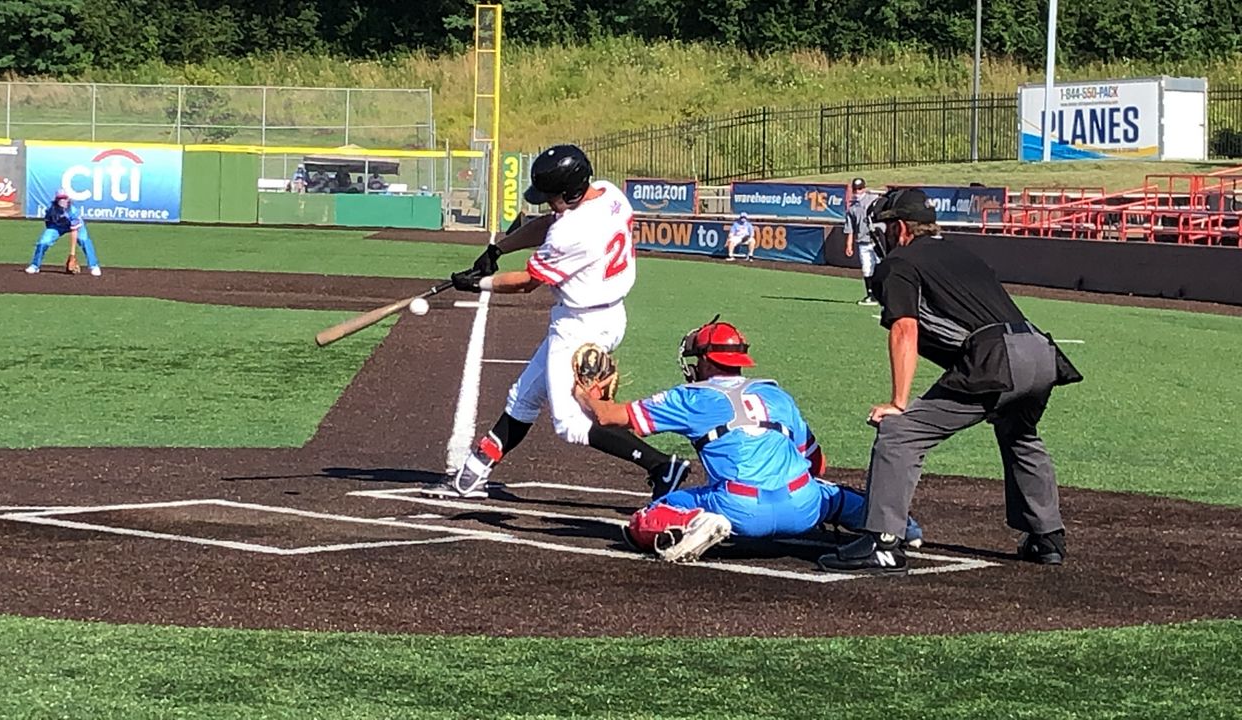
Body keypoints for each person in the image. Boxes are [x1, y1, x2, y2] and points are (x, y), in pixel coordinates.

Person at [817, 188, 1083, 575]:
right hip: (1041, 350)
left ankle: (883, 543)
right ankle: (1047, 537)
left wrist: (898, 400)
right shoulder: (960, 252)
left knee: (901, 431)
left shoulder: (900, 263)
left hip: (999, 358)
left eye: (887, 226)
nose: (884, 234)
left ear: (901, 228)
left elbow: (905, 328)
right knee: (1019, 433)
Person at [422, 144, 692, 500]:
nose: (548, 203)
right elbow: (551, 222)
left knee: (570, 423)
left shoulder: (573, 235)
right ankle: (473, 473)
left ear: (572, 192)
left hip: (581, 326)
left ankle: (661, 465)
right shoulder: (609, 194)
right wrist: (499, 249)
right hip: (604, 313)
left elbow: (526, 284)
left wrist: (478, 284)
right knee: (523, 396)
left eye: (552, 196)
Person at [574, 317, 922, 563]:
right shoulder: (776, 395)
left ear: (707, 362)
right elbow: (817, 464)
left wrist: (587, 395)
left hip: (738, 508)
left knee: (646, 519)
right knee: (835, 495)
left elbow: (609, 417)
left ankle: (694, 522)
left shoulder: (692, 397)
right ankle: (901, 526)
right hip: (803, 505)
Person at [25, 189, 101, 276]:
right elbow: (48, 222)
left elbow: (74, 231)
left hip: (75, 228)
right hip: (57, 226)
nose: (62, 201)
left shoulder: (73, 211)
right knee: (43, 242)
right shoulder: (51, 209)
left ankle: (94, 266)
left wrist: (72, 255)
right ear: (56, 200)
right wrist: (50, 234)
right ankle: (35, 265)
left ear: (68, 199)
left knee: (84, 240)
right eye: (60, 198)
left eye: (64, 198)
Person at [844, 178, 879, 305]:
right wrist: (849, 245)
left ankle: (884, 295)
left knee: (881, 267)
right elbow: (850, 228)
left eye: (859, 189)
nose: (857, 192)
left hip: (876, 240)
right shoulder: (852, 208)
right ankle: (870, 295)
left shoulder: (873, 200)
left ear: (864, 188)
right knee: (867, 269)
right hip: (863, 241)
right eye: (855, 189)